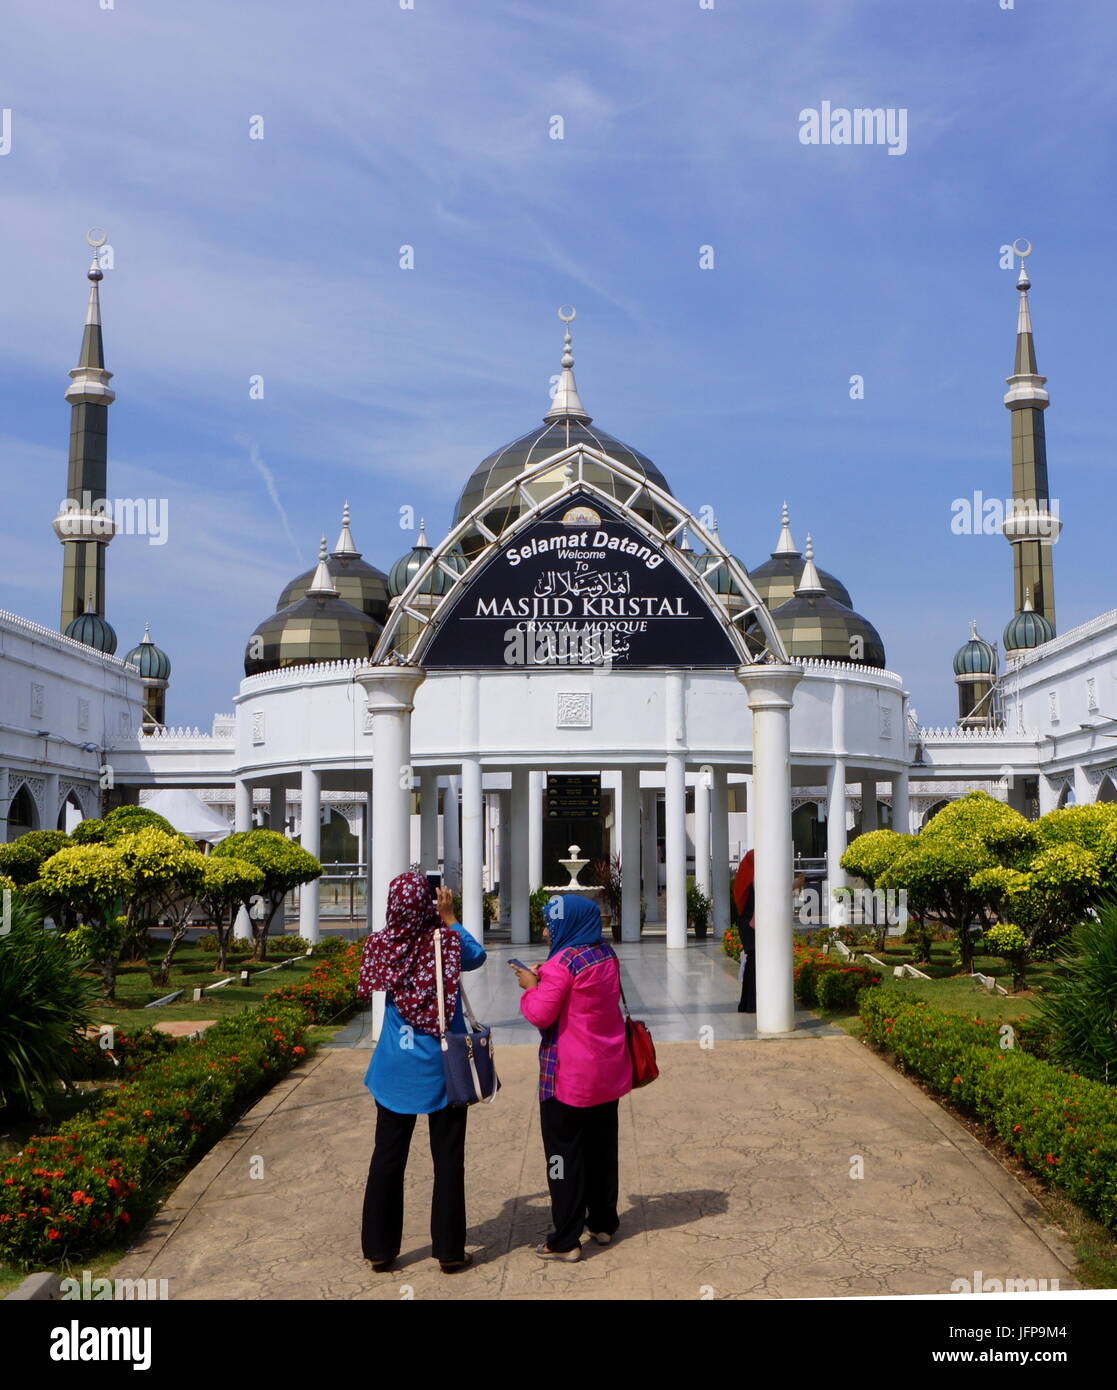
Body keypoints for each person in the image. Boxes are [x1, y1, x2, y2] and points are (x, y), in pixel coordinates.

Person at [358, 871, 485, 1274]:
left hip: (396, 1066)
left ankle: (380, 1249)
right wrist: (448, 917)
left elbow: (372, 983)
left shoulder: (380, 944)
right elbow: (477, 955)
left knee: (387, 1157)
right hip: (442, 1068)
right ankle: (448, 1250)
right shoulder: (446, 944)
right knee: (448, 1160)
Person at [511, 894, 632, 1262]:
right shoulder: (605, 954)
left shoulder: (563, 963)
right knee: (601, 1149)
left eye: (551, 923)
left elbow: (541, 1015)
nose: (547, 931)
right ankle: (603, 1223)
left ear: (568, 924)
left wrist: (531, 986)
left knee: (563, 1157)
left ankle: (565, 1240)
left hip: (567, 1079)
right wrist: (545, 975)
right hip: (606, 1074)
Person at [733, 850, 805, 1012]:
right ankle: (751, 1004)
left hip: (747, 924)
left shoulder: (747, 877)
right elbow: (772, 894)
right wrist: (793, 885)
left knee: (752, 963)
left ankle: (747, 1004)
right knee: (754, 964)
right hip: (753, 925)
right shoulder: (755, 879)